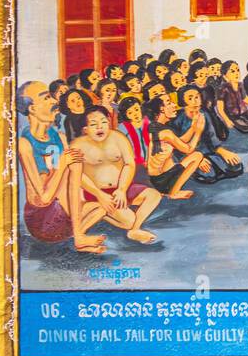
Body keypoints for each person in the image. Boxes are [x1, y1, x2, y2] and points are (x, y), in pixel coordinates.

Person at [15, 80, 98, 252]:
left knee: (103, 203)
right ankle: (79, 237)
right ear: (32, 109)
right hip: (43, 221)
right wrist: (62, 164)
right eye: (46, 98)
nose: (54, 101)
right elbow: (44, 199)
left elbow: (74, 175)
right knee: (70, 165)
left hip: (66, 217)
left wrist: (101, 195)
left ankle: (78, 235)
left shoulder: (59, 136)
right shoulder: (25, 144)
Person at [68, 106, 163, 246]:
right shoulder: (77, 145)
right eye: (94, 124)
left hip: (122, 188)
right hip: (96, 193)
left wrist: (122, 189)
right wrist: (99, 194)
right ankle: (99, 209)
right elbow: (77, 175)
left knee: (154, 195)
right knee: (128, 220)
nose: (100, 127)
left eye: (104, 122)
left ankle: (135, 230)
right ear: (85, 129)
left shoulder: (118, 137)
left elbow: (129, 164)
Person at [173, 84, 243, 183]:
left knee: (236, 167)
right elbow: (176, 149)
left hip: (208, 152)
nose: (195, 101)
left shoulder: (204, 114)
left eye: (197, 97)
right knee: (209, 176)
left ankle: (214, 165)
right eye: (190, 98)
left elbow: (212, 137)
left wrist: (223, 152)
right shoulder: (177, 119)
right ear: (183, 101)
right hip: (189, 155)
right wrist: (196, 159)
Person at [143, 94, 207, 199]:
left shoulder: (155, 127)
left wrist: (193, 126)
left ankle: (169, 190)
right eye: (169, 103)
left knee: (171, 159)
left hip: (156, 178)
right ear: (161, 109)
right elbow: (188, 149)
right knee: (197, 155)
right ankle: (173, 193)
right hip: (161, 180)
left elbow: (180, 141)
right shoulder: (166, 133)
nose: (174, 105)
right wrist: (198, 132)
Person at [216, 60, 248, 134]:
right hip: (233, 115)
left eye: (238, 70)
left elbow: (245, 98)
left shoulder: (240, 85)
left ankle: (246, 118)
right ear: (225, 76)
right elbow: (220, 108)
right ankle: (243, 120)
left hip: (243, 111)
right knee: (247, 128)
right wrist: (226, 120)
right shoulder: (222, 88)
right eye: (232, 71)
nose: (237, 73)